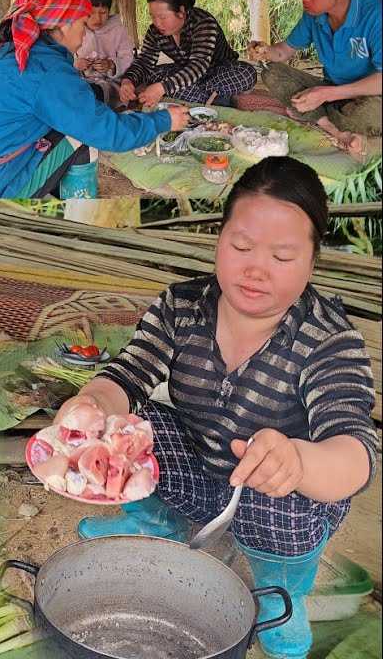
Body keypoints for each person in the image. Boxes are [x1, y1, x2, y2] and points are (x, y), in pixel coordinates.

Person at [56, 156, 377, 659]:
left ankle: (282, 592)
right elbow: (129, 374)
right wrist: (92, 404)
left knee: (279, 502)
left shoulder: (328, 340)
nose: (254, 269)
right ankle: (155, 520)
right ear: (219, 238)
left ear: (313, 261)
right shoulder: (182, 305)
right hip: (202, 468)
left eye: (283, 256)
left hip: (282, 502)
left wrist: (298, 461)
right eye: (241, 245)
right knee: (131, 424)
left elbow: (356, 450)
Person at [0, 0, 189, 199]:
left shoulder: (6, 53)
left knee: (75, 118)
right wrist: (164, 121)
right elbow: (106, 132)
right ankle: (78, 210)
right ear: (63, 24)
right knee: (81, 134)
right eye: (83, 24)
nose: (84, 34)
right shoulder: (47, 69)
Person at [248, 0, 381, 156]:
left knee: (373, 115)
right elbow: (283, 51)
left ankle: (324, 115)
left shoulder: (376, 14)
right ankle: (335, 129)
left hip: (371, 94)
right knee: (272, 72)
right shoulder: (314, 15)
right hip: (333, 91)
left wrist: (326, 94)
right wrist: (265, 51)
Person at [119, 0, 257, 109]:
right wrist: (128, 80)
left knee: (246, 73)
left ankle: (194, 95)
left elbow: (198, 65)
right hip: (186, 73)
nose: (157, 23)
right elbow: (145, 62)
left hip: (218, 71)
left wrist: (163, 88)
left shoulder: (203, 22)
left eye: (162, 18)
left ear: (181, 11)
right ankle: (216, 99)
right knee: (153, 74)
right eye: (153, 17)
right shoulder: (155, 32)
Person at [75, 0, 137, 108]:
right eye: (91, 13)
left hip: (110, 85)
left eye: (103, 12)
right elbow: (64, 56)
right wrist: (75, 63)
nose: (97, 18)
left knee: (91, 95)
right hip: (79, 82)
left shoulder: (118, 30)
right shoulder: (74, 29)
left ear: (109, 10)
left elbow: (128, 57)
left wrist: (111, 64)